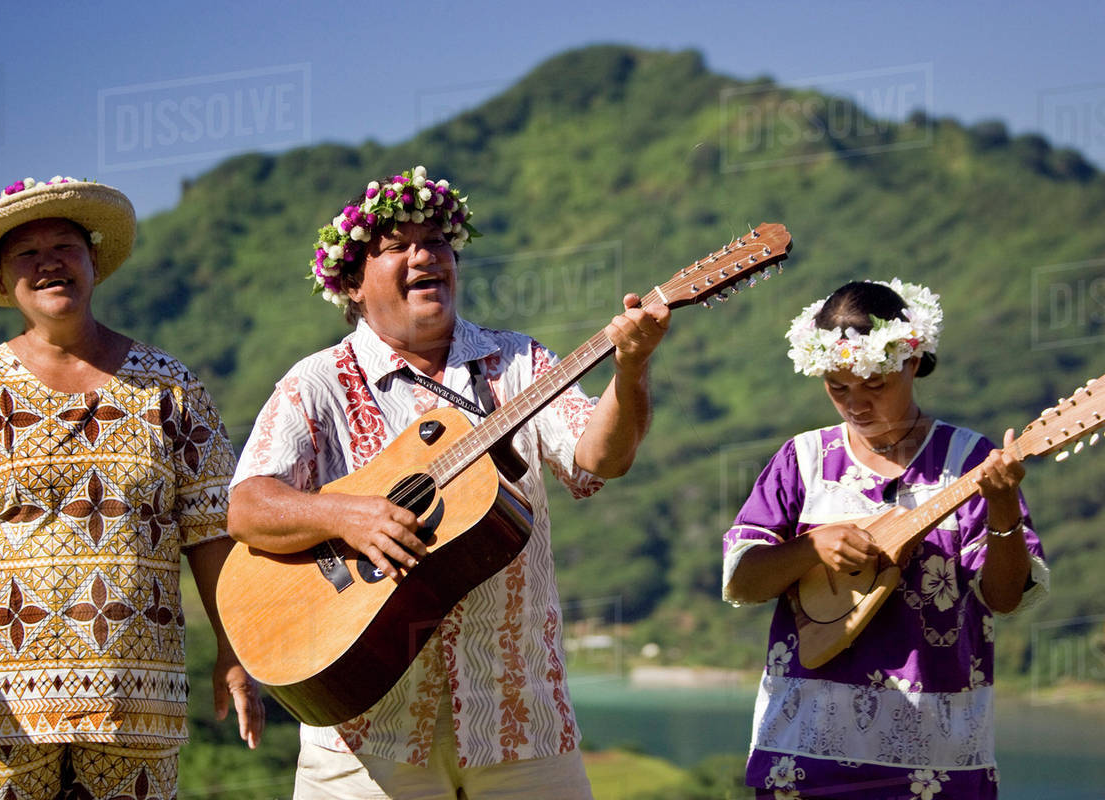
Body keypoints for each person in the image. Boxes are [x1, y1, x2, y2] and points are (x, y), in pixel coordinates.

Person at [226, 165, 669, 799]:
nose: (424, 255)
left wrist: (632, 371)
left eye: (435, 241)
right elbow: (248, 507)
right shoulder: (316, 383)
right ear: (352, 282)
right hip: (366, 733)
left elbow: (600, 458)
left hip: (520, 719)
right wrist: (350, 516)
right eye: (398, 247)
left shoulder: (519, 363)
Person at [0, 176, 264, 799]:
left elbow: (212, 531)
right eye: (26, 253)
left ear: (92, 262)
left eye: (64, 246)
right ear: (1, 279)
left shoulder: (170, 388)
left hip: (136, 696)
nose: (49, 262)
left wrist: (233, 649)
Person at [722, 279, 1049, 798]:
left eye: (874, 385)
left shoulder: (969, 460)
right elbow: (742, 582)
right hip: (804, 754)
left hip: (936, 762)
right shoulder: (802, 460)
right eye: (837, 386)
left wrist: (1003, 504)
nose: (855, 404)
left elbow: (1006, 597)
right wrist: (811, 547)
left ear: (912, 361)